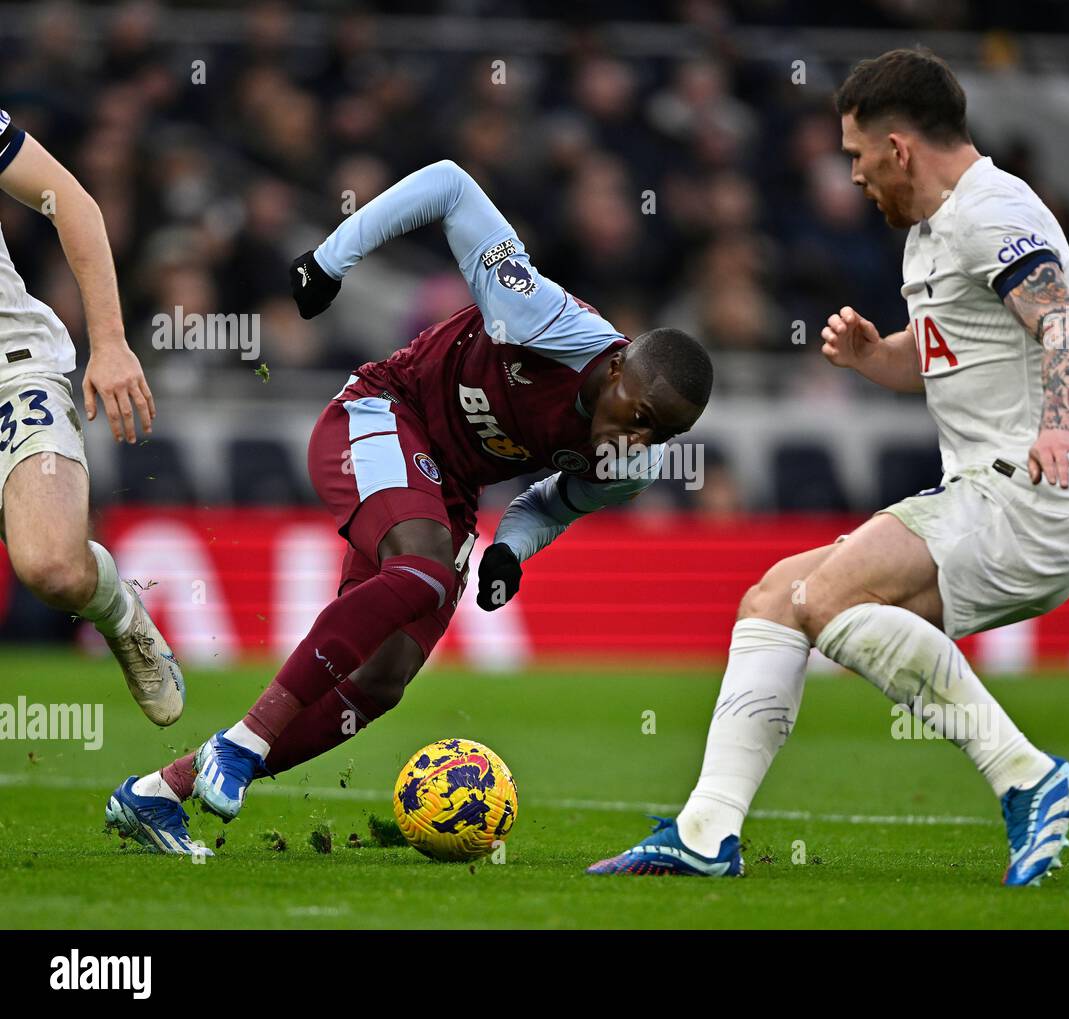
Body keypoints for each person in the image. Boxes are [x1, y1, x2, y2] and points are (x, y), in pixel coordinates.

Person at [590, 48, 1069, 886]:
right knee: (773, 601)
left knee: (827, 597)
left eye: (859, 156)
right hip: (982, 495)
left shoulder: (993, 211)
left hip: (1029, 494)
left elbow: (1066, 327)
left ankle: (1026, 774)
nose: (856, 175)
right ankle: (706, 828)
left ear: (900, 147)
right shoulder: (931, 235)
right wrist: (878, 357)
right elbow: (951, 357)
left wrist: (1057, 430)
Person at [104, 159, 712, 856]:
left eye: (659, 432)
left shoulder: (632, 463)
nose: (636, 437)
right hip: (382, 411)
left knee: (382, 680)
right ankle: (241, 745)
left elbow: (553, 502)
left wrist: (512, 547)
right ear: (614, 368)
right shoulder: (537, 313)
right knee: (421, 569)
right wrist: (332, 259)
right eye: (635, 414)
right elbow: (451, 184)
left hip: (446, 486)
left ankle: (159, 791)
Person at [0, 108, 183, 726]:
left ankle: (119, 612)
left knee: (52, 567)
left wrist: (109, 343)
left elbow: (71, 201)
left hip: (11, 372)